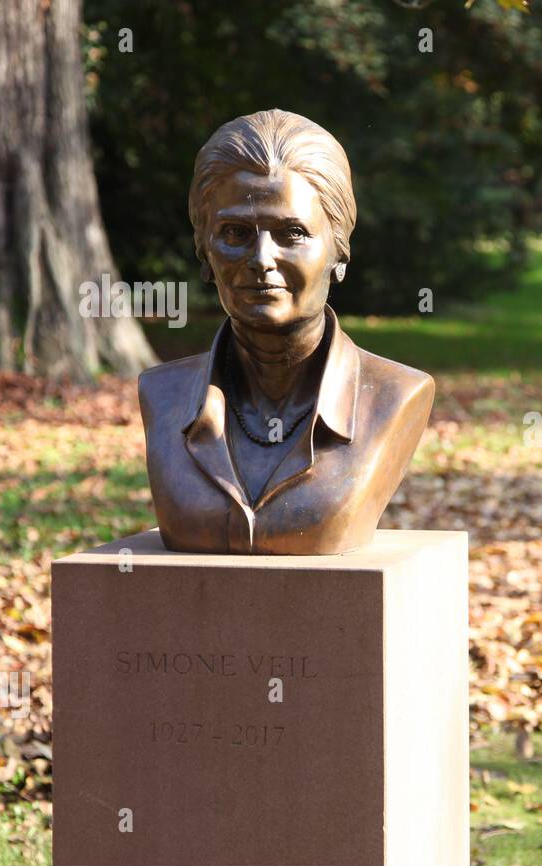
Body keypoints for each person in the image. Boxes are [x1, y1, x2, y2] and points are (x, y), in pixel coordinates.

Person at [138, 109, 434, 555]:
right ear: (204, 250)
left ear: (338, 250)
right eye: (236, 232)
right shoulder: (163, 396)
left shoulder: (396, 396)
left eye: (292, 233)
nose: (261, 259)